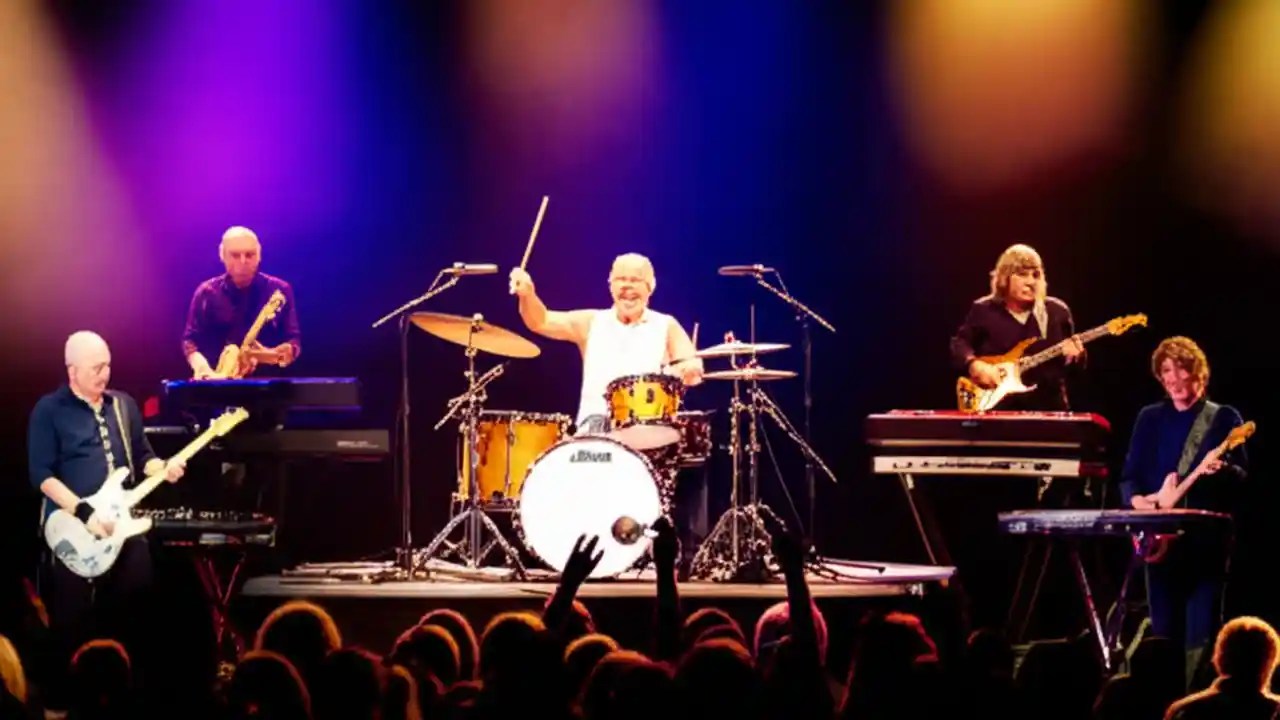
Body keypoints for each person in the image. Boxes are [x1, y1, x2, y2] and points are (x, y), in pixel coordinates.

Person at [27, 331, 186, 711]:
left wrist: (162, 468)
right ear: (72, 370)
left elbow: (143, 456)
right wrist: (84, 512)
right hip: (71, 524)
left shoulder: (124, 405)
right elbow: (41, 474)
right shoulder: (49, 410)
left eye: (108, 365)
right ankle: (65, 702)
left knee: (137, 601)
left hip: (121, 525)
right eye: (96, 367)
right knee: (72, 620)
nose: (104, 373)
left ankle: (126, 696)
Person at [1120, 336, 1246, 685]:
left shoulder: (1223, 418)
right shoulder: (1149, 418)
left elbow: (1242, 478)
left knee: (1201, 635)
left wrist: (1223, 471)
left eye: (1180, 370)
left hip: (1203, 546)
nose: (1173, 379)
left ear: (1199, 374)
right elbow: (1129, 478)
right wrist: (1142, 503)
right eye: (1165, 372)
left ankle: (1195, 702)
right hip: (1159, 541)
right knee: (1163, 635)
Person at [508, 252, 704, 434]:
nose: (627, 286)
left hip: (647, 430)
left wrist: (684, 371)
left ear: (650, 287)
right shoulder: (591, 322)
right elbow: (540, 321)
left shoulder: (665, 324)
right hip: (594, 428)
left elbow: (693, 367)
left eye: (636, 280)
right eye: (621, 279)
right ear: (610, 284)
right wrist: (527, 295)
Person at [950, 243, 1084, 411]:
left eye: (1036, 275)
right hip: (998, 411)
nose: (1030, 282)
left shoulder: (1058, 313)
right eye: (1022, 275)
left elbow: (1072, 373)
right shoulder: (983, 310)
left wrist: (1077, 358)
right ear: (1005, 278)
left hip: (1048, 411)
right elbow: (959, 345)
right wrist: (974, 364)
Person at [182, 226, 301, 379]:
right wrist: (202, 367)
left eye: (249, 255)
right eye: (235, 255)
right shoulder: (206, 292)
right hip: (218, 385)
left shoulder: (279, 290)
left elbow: (293, 338)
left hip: (267, 388)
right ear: (222, 256)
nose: (243, 261)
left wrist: (287, 351)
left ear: (259, 256)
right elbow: (190, 340)